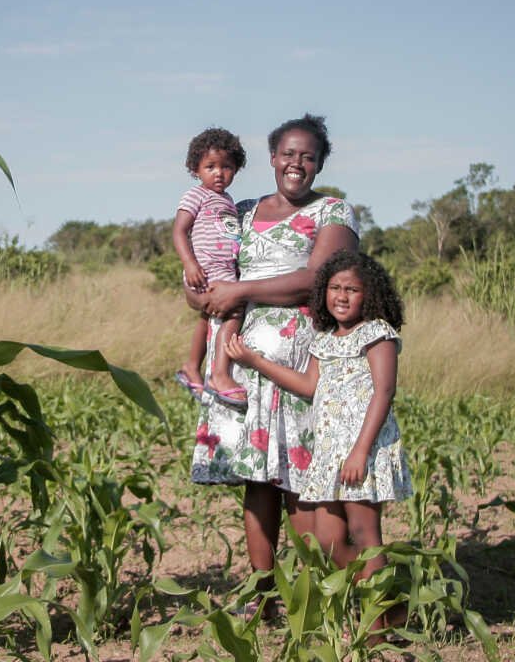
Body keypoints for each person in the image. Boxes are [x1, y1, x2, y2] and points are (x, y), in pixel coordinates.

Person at [186, 113, 359, 616]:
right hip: (239, 362)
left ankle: (311, 595)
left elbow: (317, 278)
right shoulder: (237, 210)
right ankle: (262, 594)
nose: (296, 163)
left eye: (308, 156)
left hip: (300, 364)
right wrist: (199, 291)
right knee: (257, 478)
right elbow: (207, 267)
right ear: (271, 158)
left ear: (320, 163)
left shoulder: (333, 212)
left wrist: (240, 289)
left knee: (300, 480)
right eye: (288, 154)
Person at [225, 248, 412, 638]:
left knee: (365, 536)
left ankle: (375, 632)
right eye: (334, 288)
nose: (341, 297)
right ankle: (392, 603)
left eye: (352, 290)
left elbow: (384, 392)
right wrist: (255, 361)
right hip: (329, 450)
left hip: (364, 449)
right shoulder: (324, 339)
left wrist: (361, 450)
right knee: (325, 541)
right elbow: (309, 386)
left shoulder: (377, 335)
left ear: (370, 295)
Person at [173, 127, 250, 407]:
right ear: (196, 169)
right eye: (210, 167)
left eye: (227, 167)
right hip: (205, 269)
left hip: (224, 271)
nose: (219, 173)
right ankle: (219, 373)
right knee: (235, 310)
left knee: (207, 317)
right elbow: (180, 231)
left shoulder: (228, 202)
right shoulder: (196, 195)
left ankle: (192, 366)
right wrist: (189, 264)